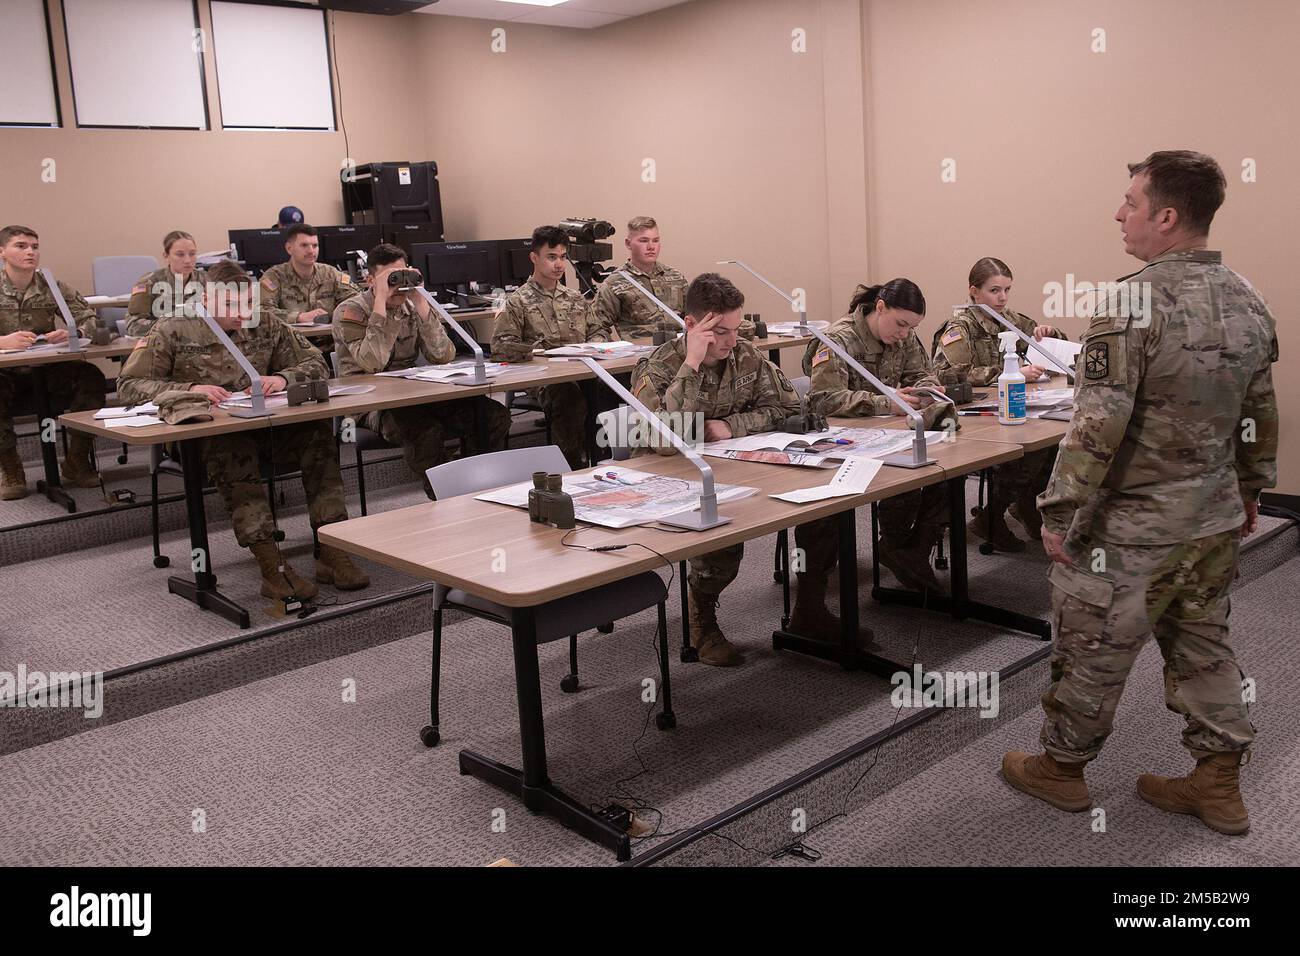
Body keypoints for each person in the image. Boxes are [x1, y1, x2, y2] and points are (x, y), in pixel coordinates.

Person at [1001, 150, 1278, 837]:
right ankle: (1218, 782)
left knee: (1094, 647)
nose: (1118, 214)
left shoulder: (1130, 300)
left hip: (1131, 528)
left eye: (1130, 202)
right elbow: (1259, 410)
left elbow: (1098, 423)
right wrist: (1251, 489)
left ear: (1167, 216)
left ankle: (1061, 770)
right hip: (1210, 518)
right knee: (1203, 644)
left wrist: (1058, 509)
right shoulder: (1248, 297)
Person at [117, 259, 370, 600]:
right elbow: (130, 384)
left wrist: (283, 378)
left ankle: (331, 546)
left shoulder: (265, 321)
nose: (242, 313)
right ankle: (271, 564)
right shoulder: (173, 326)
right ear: (206, 298)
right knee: (232, 448)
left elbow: (314, 362)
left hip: (265, 425)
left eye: (247, 302)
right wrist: (189, 388)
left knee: (317, 433)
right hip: (205, 435)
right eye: (231, 304)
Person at [632, 273, 817, 665]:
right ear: (691, 325)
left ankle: (812, 608)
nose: (732, 341)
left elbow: (787, 409)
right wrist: (693, 364)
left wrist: (732, 426)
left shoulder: (745, 354)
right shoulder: (659, 368)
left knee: (821, 503)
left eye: (736, 329)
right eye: (719, 331)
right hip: (672, 477)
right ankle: (701, 617)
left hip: (736, 465)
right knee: (726, 524)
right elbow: (660, 440)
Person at [801, 279, 950, 595]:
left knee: (948, 471)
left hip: (890, 437)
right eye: (900, 324)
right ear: (879, 307)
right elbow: (823, 399)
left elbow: (921, 372)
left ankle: (906, 549)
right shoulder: (837, 340)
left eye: (911, 327)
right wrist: (886, 402)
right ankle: (815, 593)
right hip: (841, 445)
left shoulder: (902, 336)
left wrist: (928, 389)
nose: (904, 333)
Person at [333, 243, 509, 494]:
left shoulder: (412, 305)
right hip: (370, 404)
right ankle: (445, 493)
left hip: (413, 394)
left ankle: (469, 481)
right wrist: (381, 302)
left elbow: (443, 355)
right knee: (425, 431)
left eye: (403, 275)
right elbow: (371, 364)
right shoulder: (350, 311)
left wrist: (421, 302)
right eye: (391, 279)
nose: (399, 285)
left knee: (493, 416)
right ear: (370, 280)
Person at [931, 257, 1066, 552]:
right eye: (994, 290)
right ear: (974, 291)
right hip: (975, 414)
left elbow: (1058, 350)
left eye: (1006, 290)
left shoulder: (1014, 321)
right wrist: (1011, 373)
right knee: (1030, 448)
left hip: (1015, 406)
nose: (1002, 297)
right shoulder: (959, 327)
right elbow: (948, 376)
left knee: (1054, 443)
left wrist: (1050, 334)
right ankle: (992, 516)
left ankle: (1027, 504)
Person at [491, 225, 608, 469]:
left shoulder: (575, 297)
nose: (558, 264)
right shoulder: (517, 301)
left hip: (581, 368)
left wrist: (595, 346)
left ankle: (605, 461)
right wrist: (535, 351)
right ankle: (570, 467)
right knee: (568, 397)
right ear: (534, 258)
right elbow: (500, 346)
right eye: (551, 257)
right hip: (544, 377)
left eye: (563, 257)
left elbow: (598, 330)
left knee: (611, 388)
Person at [0, 225, 104, 499]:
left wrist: (74, 332)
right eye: (21, 246)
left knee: (90, 376)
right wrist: (2, 342)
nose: (30, 252)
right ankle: (10, 467)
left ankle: (77, 459)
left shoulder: (51, 285)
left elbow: (90, 319)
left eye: (34, 246)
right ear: (2, 252)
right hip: (6, 374)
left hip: (46, 370)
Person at [259, 224, 355, 327]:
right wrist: (298, 317)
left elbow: (356, 300)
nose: (311, 251)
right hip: (292, 340)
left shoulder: (330, 273)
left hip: (329, 339)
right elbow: (260, 311)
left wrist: (334, 316)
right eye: (304, 245)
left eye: (315, 246)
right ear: (289, 248)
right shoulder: (274, 276)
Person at [124, 230, 207, 338]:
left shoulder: (206, 279)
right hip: (163, 343)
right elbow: (133, 324)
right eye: (180, 255)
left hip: (201, 342)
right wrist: (171, 327)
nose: (187, 260)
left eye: (192, 254)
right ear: (166, 256)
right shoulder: (149, 282)